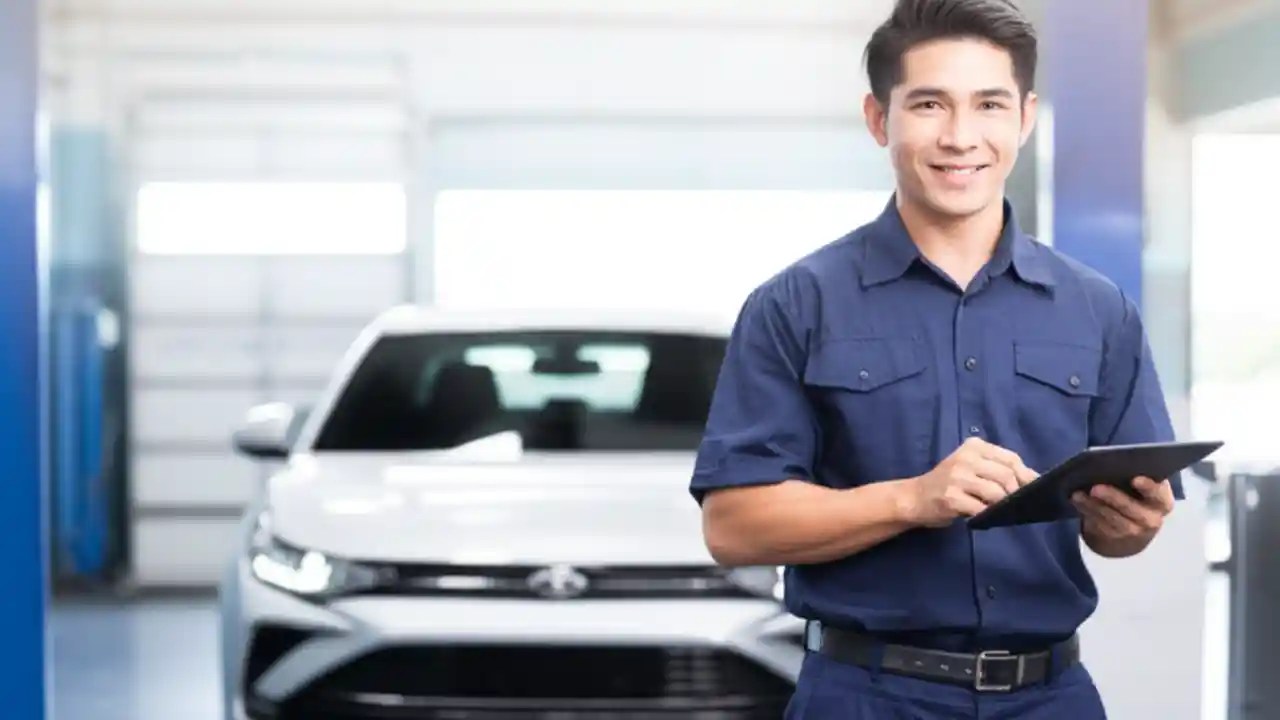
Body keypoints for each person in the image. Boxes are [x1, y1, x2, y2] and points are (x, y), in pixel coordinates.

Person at [689, 0, 1178, 717]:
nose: (960, 137)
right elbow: (732, 528)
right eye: (928, 104)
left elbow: (1121, 535)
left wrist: (1129, 528)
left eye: (988, 105)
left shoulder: (1099, 310)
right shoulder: (796, 305)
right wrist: (913, 499)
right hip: (865, 696)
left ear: (1025, 117)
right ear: (879, 119)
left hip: (1052, 699)